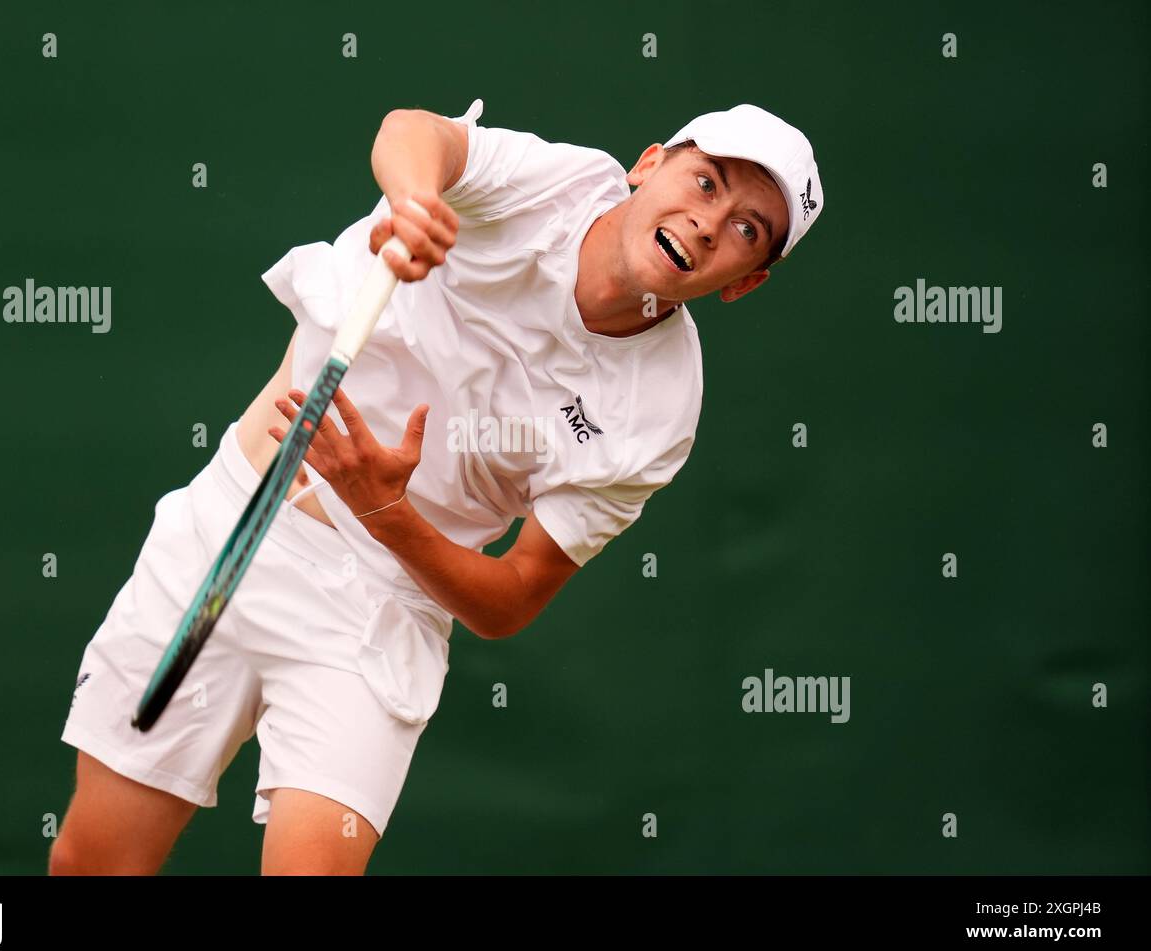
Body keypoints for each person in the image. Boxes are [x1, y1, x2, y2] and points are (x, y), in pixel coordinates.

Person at [50, 98, 826, 875]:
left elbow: (514, 595)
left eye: (747, 227)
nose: (706, 221)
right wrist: (416, 201)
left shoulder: (657, 412)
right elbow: (412, 131)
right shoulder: (552, 184)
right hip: (235, 525)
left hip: (379, 613)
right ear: (650, 165)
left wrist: (386, 513)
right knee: (92, 865)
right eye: (705, 182)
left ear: (745, 283)